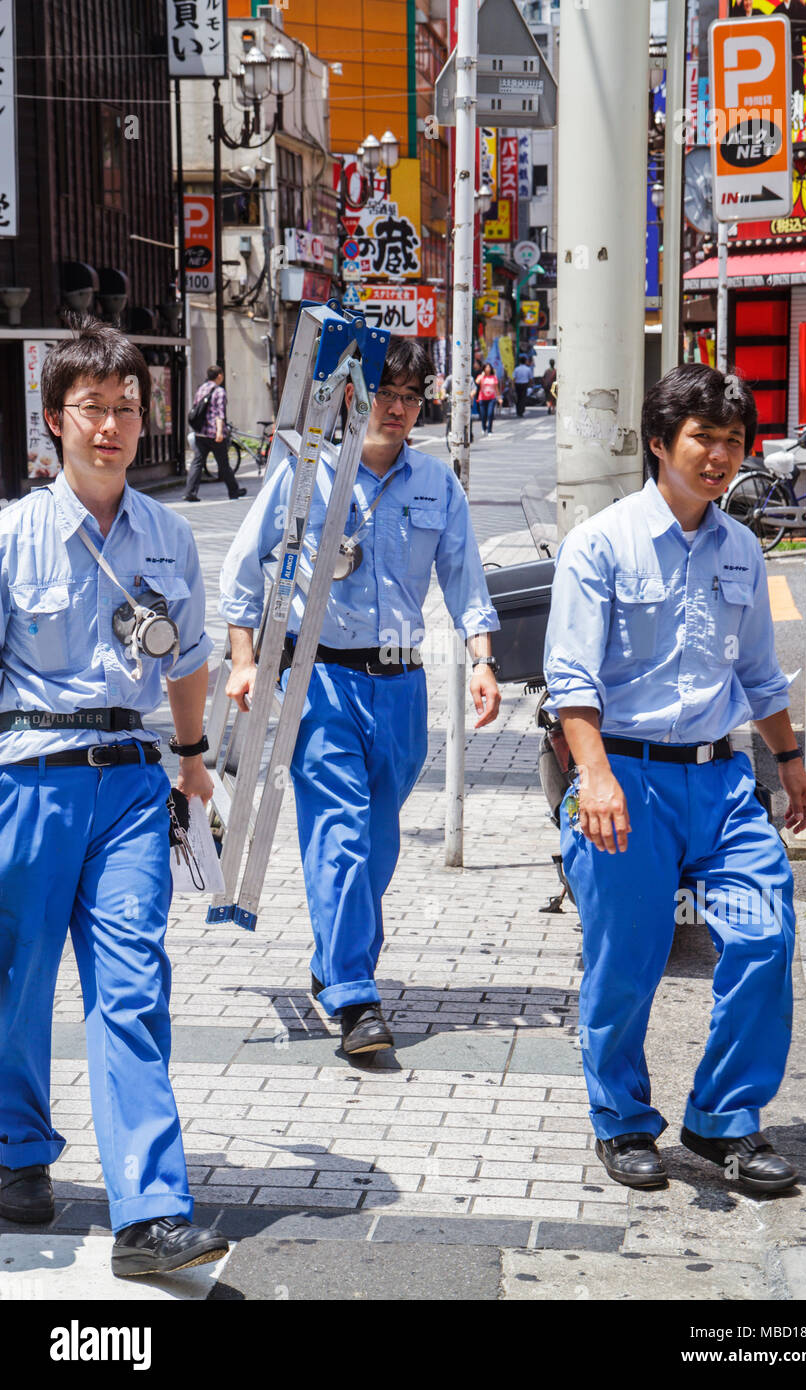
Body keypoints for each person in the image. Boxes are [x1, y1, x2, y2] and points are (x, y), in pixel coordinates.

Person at [544, 364, 806, 1194]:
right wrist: (593, 778)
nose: (720, 456)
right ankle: (623, 1120)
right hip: (623, 780)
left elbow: (763, 676)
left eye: (734, 441)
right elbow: (570, 680)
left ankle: (722, 1119)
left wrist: (794, 765)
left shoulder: (740, 547)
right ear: (662, 444)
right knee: (629, 961)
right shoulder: (602, 543)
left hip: (722, 782)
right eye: (703, 437)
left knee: (766, 936)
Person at [0, 320, 228, 1277]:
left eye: (127, 409)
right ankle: (16, 1155)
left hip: (133, 784)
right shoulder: (12, 534)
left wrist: (192, 758)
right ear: (56, 420)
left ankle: (150, 1211)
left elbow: (186, 661)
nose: (112, 426)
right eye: (92, 408)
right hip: (28, 781)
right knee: (15, 987)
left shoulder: (170, 535)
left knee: (132, 989)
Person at [220, 338, 501, 1056]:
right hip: (319, 679)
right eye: (387, 393)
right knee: (339, 834)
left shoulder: (437, 484)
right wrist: (247, 663)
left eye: (412, 397)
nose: (400, 408)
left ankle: (330, 961)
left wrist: (481, 662)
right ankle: (355, 997)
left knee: (376, 844)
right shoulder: (305, 476)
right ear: (355, 395)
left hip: (403, 688)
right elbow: (244, 572)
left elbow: (466, 581)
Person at [183, 365, 247, 503]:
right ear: (219, 376)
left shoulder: (201, 388)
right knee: (223, 463)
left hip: (200, 433)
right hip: (213, 433)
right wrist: (219, 432)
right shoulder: (219, 391)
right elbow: (219, 414)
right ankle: (234, 491)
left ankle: (190, 492)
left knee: (197, 462)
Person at [474, 362, 501, 435]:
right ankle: (483, 427)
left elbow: (496, 388)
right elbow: (476, 382)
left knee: (490, 413)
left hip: (492, 398)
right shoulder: (481, 376)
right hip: (482, 398)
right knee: (483, 415)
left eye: (489, 367)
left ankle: (489, 429)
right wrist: (482, 376)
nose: (488, 369)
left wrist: (499, 397)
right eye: (486, 367)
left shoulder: (493, 377)